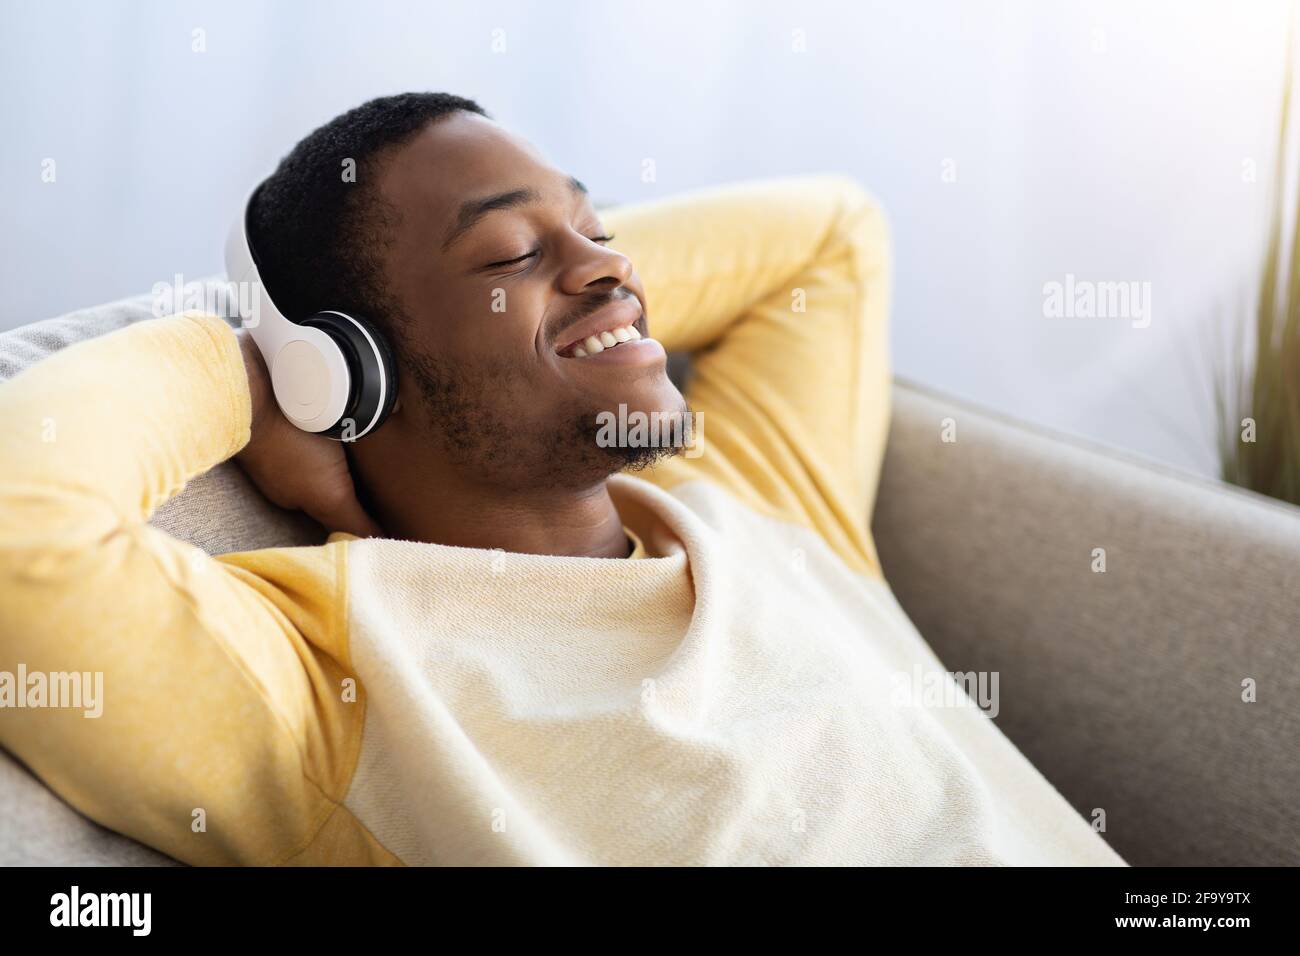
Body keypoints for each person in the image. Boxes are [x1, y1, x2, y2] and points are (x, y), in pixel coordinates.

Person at [0, 93, 1124, 866]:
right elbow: (18, 524)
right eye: (505, 257)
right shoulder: (331, 686)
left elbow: (833, 233)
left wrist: (561, 261)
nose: (615, 266)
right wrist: (246, 367)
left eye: (592, 225)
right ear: (348, 362)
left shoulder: (760, 499)